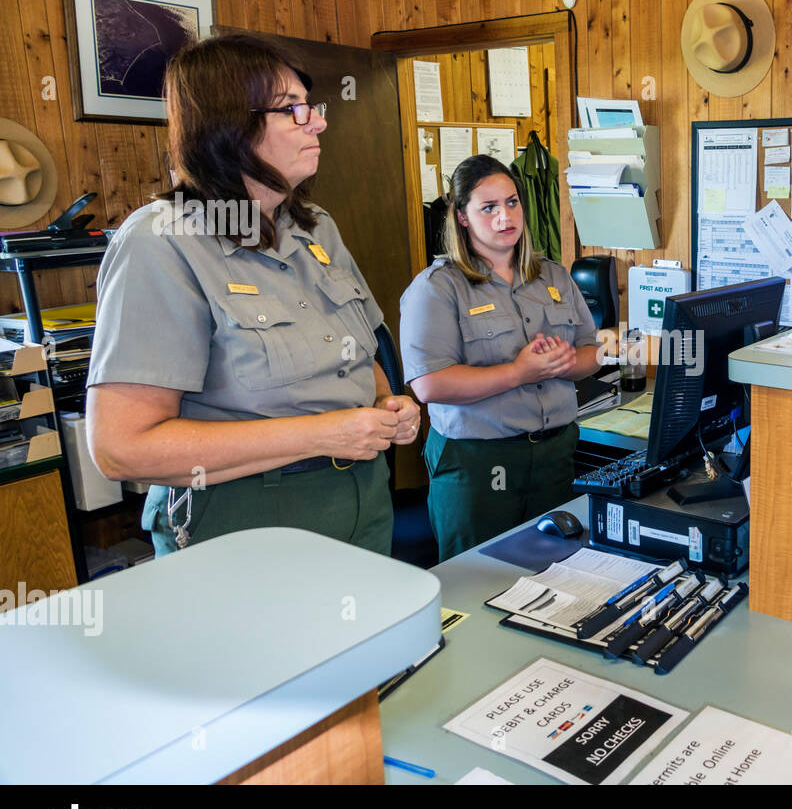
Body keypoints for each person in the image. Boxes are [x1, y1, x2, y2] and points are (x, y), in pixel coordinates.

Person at [87, 34, 421, 556]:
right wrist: (322, 434)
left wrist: (386, 402)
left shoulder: (316, 228)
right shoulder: (163, 242)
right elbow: (120, 449)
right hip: (243, 520)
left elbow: (358, 352)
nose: (319, 122)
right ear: (230, 127)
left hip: (360, 500)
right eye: (293, 110)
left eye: (312, 107)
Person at [400, 156, 602, 561]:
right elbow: (429, 385)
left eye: (511, 203)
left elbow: (591, 352)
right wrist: (518, 372)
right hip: (478, 463)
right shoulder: (438, 288)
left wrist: (565, 362)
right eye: (487, 208)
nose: (504, 217)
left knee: (557, 575)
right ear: (461, 217)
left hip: (554, 455)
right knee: (478, 582)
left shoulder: (553, 276)